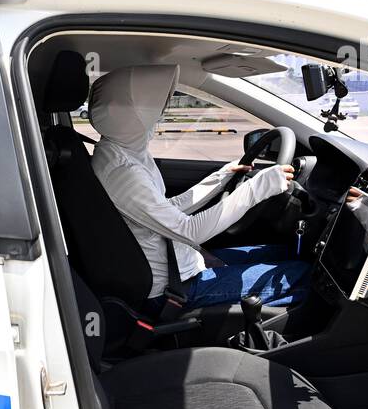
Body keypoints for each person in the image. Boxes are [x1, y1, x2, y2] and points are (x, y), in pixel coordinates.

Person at [88, 64, 310, 311]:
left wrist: (220, 177)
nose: (161, 111)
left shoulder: (122, 151)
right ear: (129, 113)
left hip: (180, 261)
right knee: (302, 275)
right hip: (173, 287)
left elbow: (165, 209)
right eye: (155, 105)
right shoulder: (122, 172)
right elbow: (190, 231)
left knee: (282, 252)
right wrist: (259, 186)